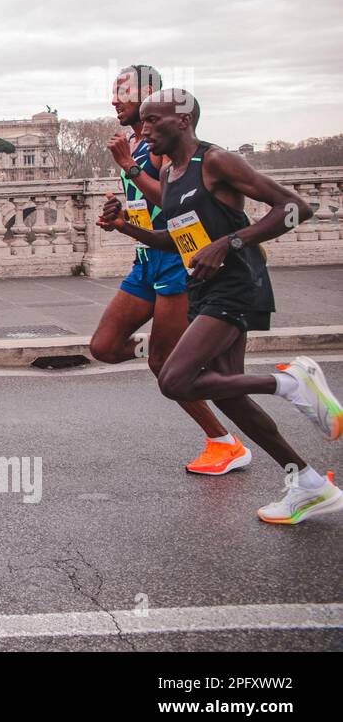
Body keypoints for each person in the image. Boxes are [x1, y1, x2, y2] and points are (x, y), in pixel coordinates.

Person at [100, 90, 343, 525]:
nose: (145, 129)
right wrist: (126, 228)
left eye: (154, 121)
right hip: (205, 289)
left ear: (183, 121)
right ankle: (308, 482)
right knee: (230, 396)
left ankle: (288, 381)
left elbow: (296, 208)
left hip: (237, 285)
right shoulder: (173, 176)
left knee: (174, 379)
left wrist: (230, 242)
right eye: (145, 121)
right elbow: (175, 239)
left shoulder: (215, 162)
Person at [88, 65, 246, 475]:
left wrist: (128, 167)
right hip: (147, 259)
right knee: (104, 347)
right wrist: (121, 218)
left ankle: (224, 443)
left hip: (179, 258)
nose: (114, 100)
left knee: (164, 367)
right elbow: (152, 206)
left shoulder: (157, 146)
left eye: (122, 92)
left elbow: (173, 198)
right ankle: (169, 349)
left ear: (148, 96)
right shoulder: (138, 144)